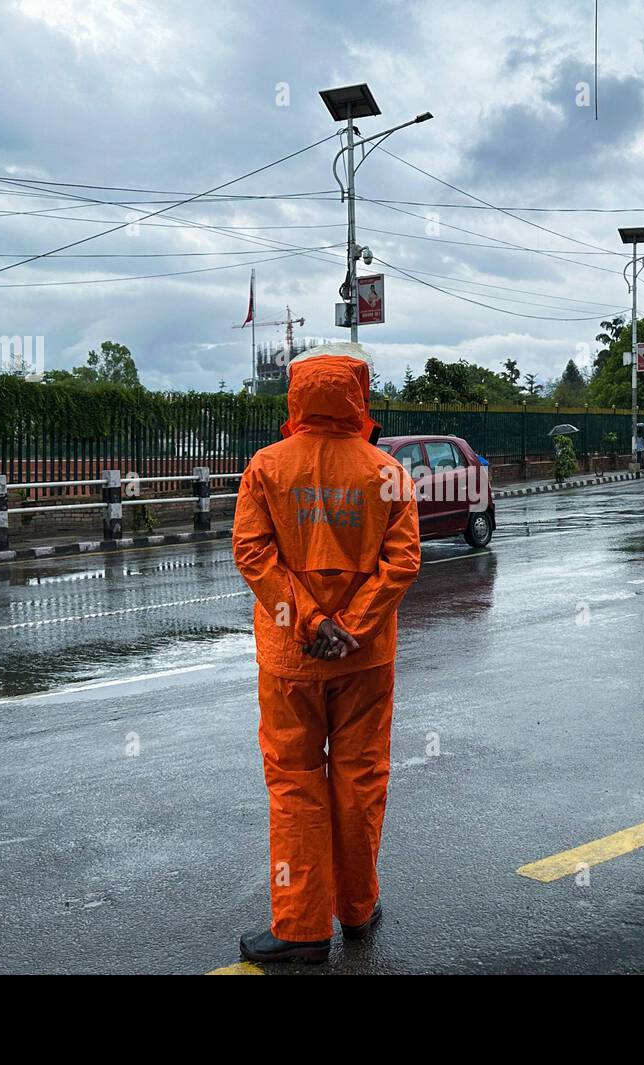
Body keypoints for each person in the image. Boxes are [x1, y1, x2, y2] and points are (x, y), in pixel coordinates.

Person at [232, 341, 421, 964]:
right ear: (357, 397)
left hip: (291, 659)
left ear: (296, 397)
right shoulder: (387, 472)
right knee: (360, 779)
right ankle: (358, 909)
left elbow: (254, 554)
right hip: (365, 661)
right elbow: (402, 563)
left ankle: (300, 926)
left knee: (295, 785)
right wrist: (354, 627)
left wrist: (309, 623)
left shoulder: (266, 467)